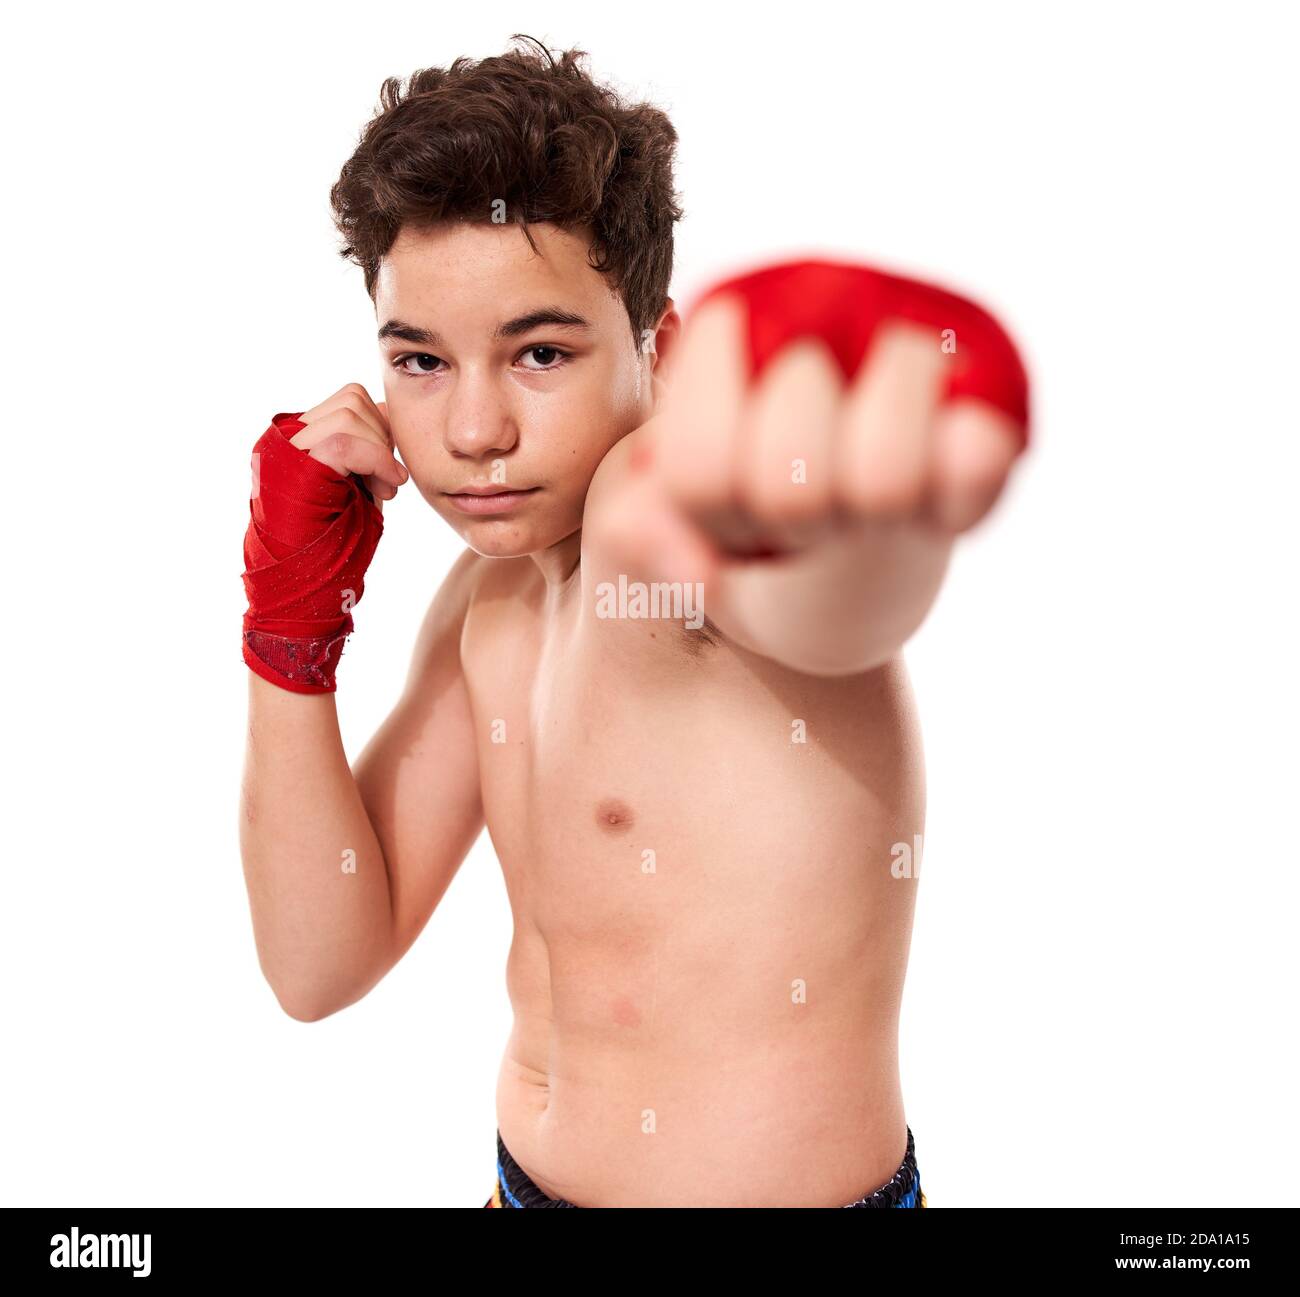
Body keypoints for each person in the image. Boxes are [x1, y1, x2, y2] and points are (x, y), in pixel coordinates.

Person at [239, 33, 1029, 1208]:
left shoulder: (648, 511)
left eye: (540, 352)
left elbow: (814, 591)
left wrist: (872, 506)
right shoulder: (487, 597)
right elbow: (318, 964)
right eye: (420, 360)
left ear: (659, 345)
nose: (472, 430)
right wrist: (290, 624)